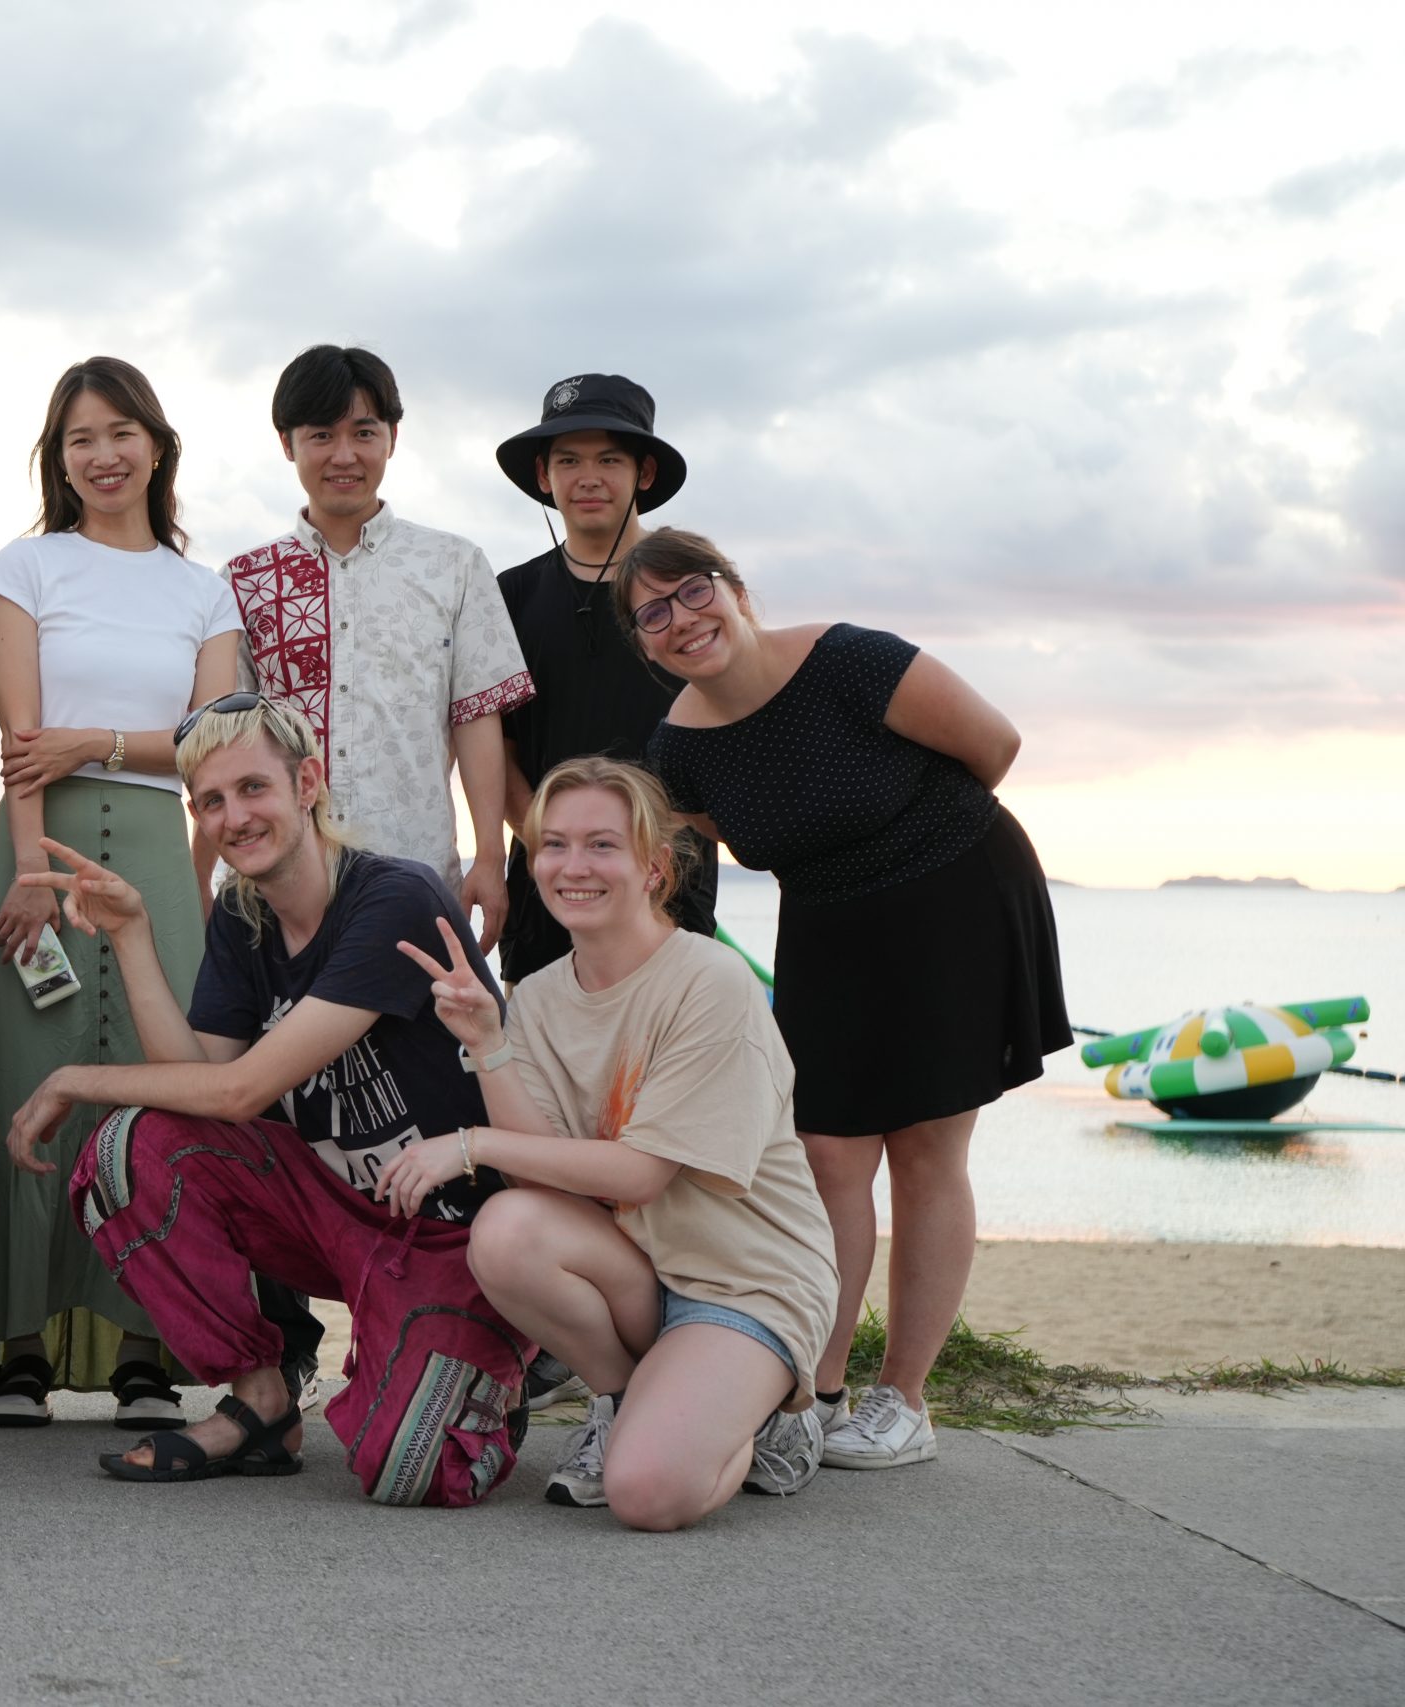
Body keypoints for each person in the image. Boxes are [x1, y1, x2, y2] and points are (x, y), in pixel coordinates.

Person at [17, 695, 532, 1507]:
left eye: (254, 789)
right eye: (213, 801)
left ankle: (487, 1370)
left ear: (309, 782)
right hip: (333, 1216)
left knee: (411, 1472)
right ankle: (259, 1401)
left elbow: (241, 1088)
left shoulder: (393, 897)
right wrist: (133, 934)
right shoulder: (241, 915)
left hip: (453, 1230)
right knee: (131, 1147)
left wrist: (71, 1076)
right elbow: (195, 1082)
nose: (235, 817)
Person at [628, 529, 1070, 1471]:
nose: (681, 620)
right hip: (826, 926)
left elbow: (995, 745)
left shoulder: (847, 658)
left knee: (927, 1149)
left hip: (953, 891)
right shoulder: (676, 750)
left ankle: (903, 1399)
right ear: (646, 645)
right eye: (653, 614)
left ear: (734, 588)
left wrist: (903, 846)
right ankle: (817, 1387)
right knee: (827, 1154)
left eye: (693, 590)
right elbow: (728, 835)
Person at [377, 756, 839, 1530]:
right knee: (508, 1230)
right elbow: (546, 1182)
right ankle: (627, 1396)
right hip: (637, 1271)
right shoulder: (542, 995)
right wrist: (489, 1043)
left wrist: (468, 1142)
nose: (572, 866)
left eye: (602, 845)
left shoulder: (709, 983)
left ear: (655, 866)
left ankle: (761, 1418)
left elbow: (643, 1172)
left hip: (741, 1282)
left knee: (647, 1495)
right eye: (553, 844)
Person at [0, 356, 242, 1431]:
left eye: (119, 433)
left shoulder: (204, 589)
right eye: (77, 440)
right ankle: (14, 1349)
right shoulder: (27, 565)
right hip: (40, 846)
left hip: (156, 853)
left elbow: (212, 744)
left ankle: (147, 1348)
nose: (101, 456)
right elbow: (18, 742)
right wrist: (24, 871)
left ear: (156, 444)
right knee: (21, 1070)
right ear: (57, 461)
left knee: (162, 1080)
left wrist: (99, 741)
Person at [218, 346, 536, 1398]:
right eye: (320, 435)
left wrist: (489, 854)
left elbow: (476, 715)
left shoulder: (452, 564)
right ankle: (282, 1351)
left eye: (363, 431)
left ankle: (447, 1329)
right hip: (281, 899)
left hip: (411, 883)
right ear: (288, 448)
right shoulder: (249, 581)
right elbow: (223, 745)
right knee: (277, 1115)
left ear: (392, 438)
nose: (341, 453)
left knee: (422, 1108)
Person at [490, 374, 718, 986]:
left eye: (609, 460)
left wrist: (656, 849)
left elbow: (731, 716)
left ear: (643, 473)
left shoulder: (690, 590)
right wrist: (556, 848)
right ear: (544, 476)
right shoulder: (509, 596)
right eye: (568, 460)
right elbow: (496, 748)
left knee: (669, 1064)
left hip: (673, 872)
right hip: (548, 880)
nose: (588, 478)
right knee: (542, 1068)